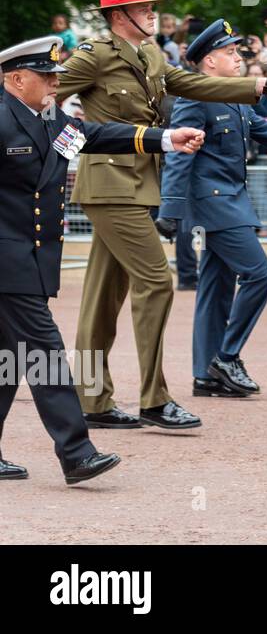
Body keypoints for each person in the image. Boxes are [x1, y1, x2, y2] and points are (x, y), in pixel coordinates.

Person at [55, 0, 267, 432]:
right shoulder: (93, 56)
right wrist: (64, 148)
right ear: (119, 15)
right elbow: (46, 100)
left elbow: (195, 85)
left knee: (102, 299)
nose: (153, 12)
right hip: (108, 185)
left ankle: (94, 402)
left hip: (135, 184)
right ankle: (154, 399)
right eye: (144, 8)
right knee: (157, 282)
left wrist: (257, 87)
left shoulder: (148, 54)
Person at [0, 37, 204, 484]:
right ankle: (76, 452)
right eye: (46, 77)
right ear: (16, 79)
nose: (56, 84)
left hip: (29, 261)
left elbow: (94, 136)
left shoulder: (49, 119)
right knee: (46, 355)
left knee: (10, 358)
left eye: (57, 76)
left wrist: (165, 138)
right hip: (8, 262)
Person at [159, 20, 267, 398]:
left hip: (229, 200)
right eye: (230, 53)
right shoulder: (195, 98)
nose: (238, 59)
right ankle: (227, 356)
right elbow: (179, 153)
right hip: (213, 203)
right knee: (259, 275)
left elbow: (264, 129)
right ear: (208, 62)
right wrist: (170, 208)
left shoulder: (235, 96)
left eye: (237, 52)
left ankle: (206, 375)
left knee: (215, 287)